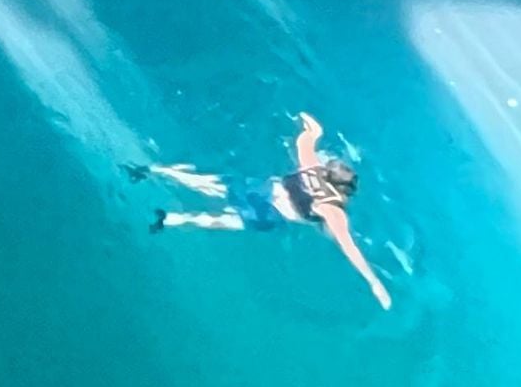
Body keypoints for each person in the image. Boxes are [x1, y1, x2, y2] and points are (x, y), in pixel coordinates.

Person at [140, 113, 391, 308]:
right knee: (220, 221)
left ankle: (154, 171)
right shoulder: (332, 210)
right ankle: (169, 219)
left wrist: (312, 126)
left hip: (259, 189)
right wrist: (374, 282)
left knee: (207, 184)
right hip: (270, 214)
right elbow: (349, 247)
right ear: (344, 190)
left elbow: (308, 136)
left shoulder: (310, 164)